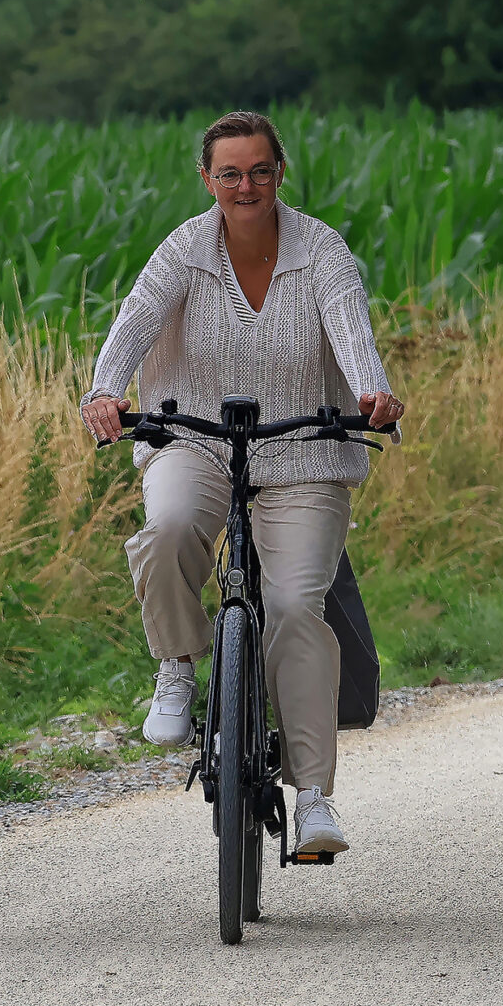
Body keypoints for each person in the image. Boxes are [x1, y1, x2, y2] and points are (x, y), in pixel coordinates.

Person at [80, 111, 405, 858]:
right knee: (164, 529)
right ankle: (177, 663)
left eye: (259, 170)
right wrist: (103, 389)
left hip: (303, 451)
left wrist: (372, 393)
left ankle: (314, 796)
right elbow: (136, 319)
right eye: (229, 173)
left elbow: (350, 327)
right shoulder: (184, 251)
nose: (245, 186)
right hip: (193, 438)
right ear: (207, 180)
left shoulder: (321, 250)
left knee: (295, 605)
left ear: (279, 173)